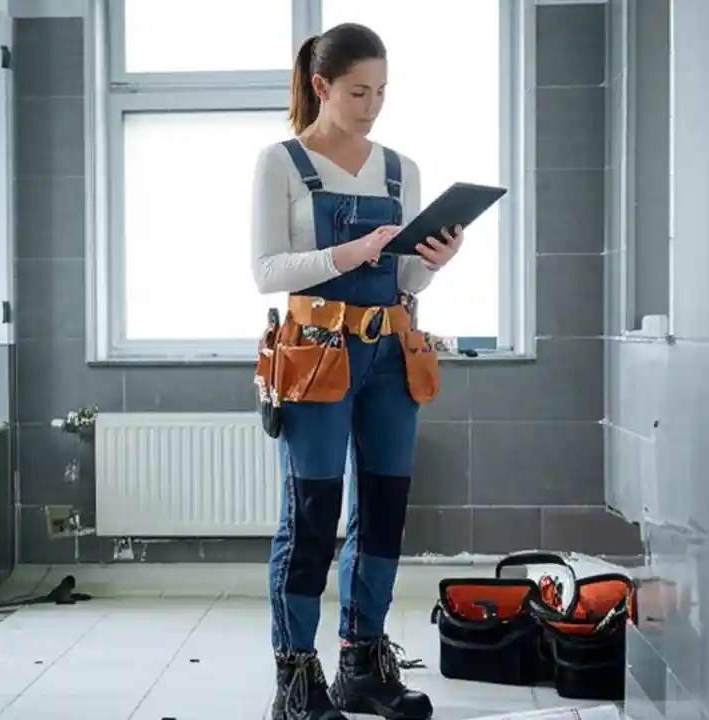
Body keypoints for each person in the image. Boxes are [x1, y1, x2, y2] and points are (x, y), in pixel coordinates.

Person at [250, 22, 463, 720]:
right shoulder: (281, 162)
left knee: (383, 511)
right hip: (315, 358)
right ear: (322, 87)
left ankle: (361, 664)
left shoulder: (402, 170)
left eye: (382, 92)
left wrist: (431, 262)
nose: (372, 106)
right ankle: (295, 680)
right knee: (310, 518)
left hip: (391, 356)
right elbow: (267, 271)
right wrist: (348, 254)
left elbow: (406, 281)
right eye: (358, 91)